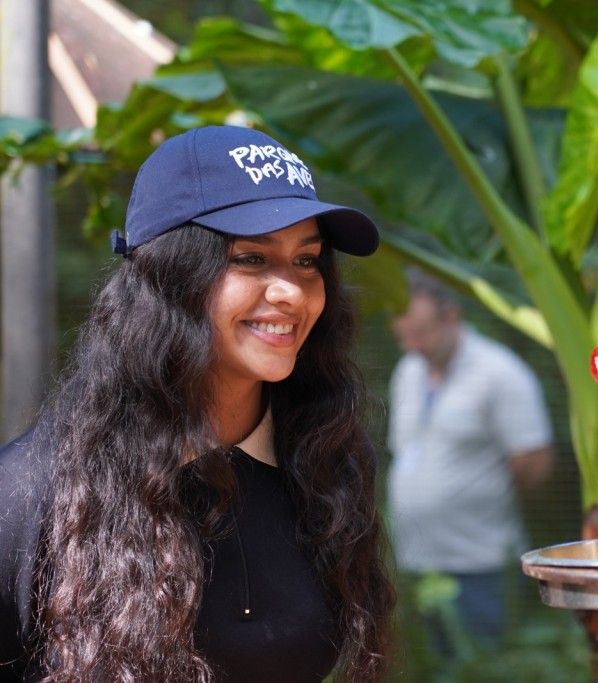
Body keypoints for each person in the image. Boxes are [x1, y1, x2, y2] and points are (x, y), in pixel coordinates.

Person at [0, 126, 395, 682]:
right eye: (252, 259)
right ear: (171, 277)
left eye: (307, 261)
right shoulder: (30, 491)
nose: (291, 291)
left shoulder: (325, 462)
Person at [387, 270, 554, 648]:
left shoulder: (500, 373)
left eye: (421, 333)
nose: (412, 345)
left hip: (482, 569)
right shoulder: (408, 370)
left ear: (452, 317)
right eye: (403, 335)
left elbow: (535, 461)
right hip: (415, 565)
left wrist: (481, 496)